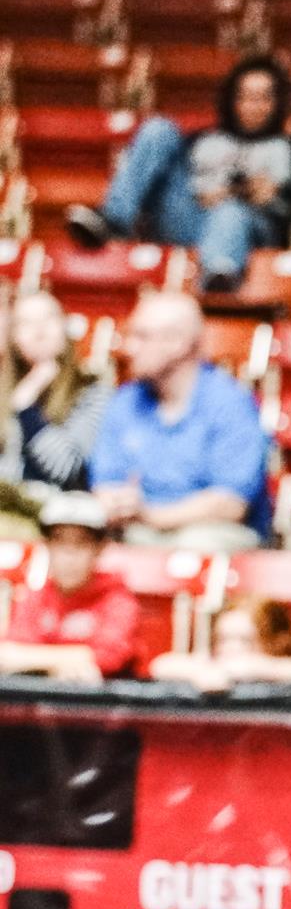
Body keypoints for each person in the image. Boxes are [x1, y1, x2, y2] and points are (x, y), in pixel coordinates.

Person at [66, 56, 291, 292]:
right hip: (189, 218)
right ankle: (113, 222)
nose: (253, 106)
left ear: (277, 102)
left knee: (230, 211)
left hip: (246, 230)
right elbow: (158, 176)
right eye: (245, 96)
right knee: (158, 128)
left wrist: (280, 193)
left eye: (263, 98)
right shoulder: (203, 140)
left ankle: (218, 278)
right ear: (232, 100)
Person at [90, 292, 269, 554]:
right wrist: (115, 503)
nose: (129, 348)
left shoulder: (230, 404)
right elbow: (105, 482)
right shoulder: (124, 401)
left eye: (142, 336)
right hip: (132, 530)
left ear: (179, 343)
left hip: (208, 533)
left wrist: (150, 516)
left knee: (195, 547)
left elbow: (231, 505)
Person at [0, 491, 139, 682]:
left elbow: (110, 657)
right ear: (46, 545)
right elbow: (8, 654)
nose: (69, 556)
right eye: (60, 542)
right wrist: (64, 661)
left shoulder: (118, 599)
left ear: (99, 549)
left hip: (98, 706)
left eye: (81, 544)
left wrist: (36, 659)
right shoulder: (36, 596)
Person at [3, 291, 111, 495]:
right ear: (13, 339)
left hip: (58, 512)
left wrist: (27, 409)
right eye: (25, 323)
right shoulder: (3, 391)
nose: (39, 331)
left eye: (49, 318)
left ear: (65, 328)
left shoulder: (94, 392)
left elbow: (65, 469)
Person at [150, 595, 291, 691]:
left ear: (277, 642)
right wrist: (205, 672)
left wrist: (240, 670)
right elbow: (161, 666)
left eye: (246, 641)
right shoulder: (214, 665)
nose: (231, 648)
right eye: (222, 639)